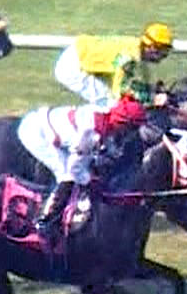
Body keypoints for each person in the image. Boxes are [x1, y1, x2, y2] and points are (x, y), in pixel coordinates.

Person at [14, 94, 148, 236]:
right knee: (66, 174)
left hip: (45, 121)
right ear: (123, 124)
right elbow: (75, 169)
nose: (131, 133)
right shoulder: (91, 134)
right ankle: (45, 221)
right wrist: (90, 179)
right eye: (132, 129)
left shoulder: (108, 111)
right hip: (35, 133)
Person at [52, 22, 175, 107]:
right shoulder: (129, 57)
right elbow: (120, 92)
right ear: (152, 47)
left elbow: (126, 83)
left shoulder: (135, 47)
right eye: (163, 51)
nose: (164, 56)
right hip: (72, 66)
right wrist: (153, 98)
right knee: (110, 105)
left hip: (79, 55)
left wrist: (149, 90)